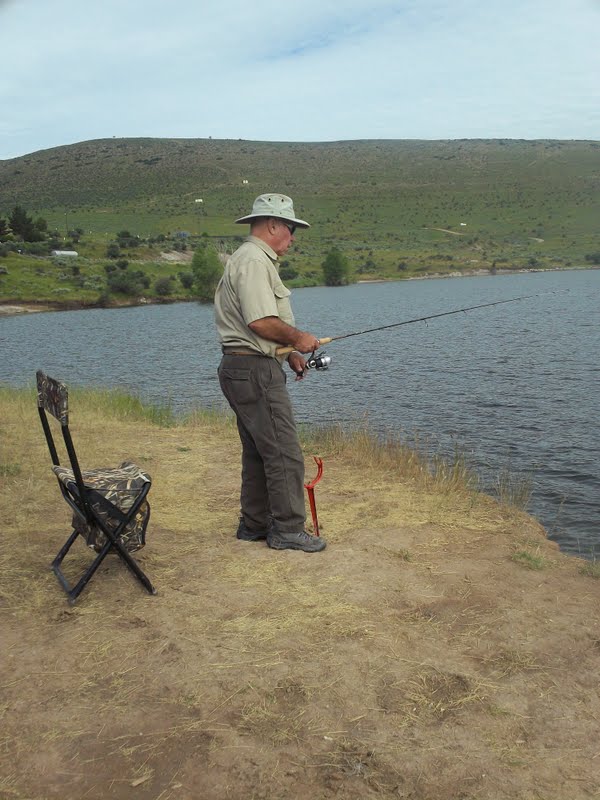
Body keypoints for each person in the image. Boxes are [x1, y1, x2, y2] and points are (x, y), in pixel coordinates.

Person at [214, 193, 326, 553]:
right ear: (273, 225)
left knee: (259, 450)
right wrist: (299, 338)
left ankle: (255, 524)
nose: (292, 238)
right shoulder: (254, 260)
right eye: (291, 229)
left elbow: (255, 327)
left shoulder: (249, 259)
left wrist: (289, 352)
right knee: (283, 451)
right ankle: (288, 529)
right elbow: (260, 321)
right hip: (253, 371)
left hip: (246, 366)